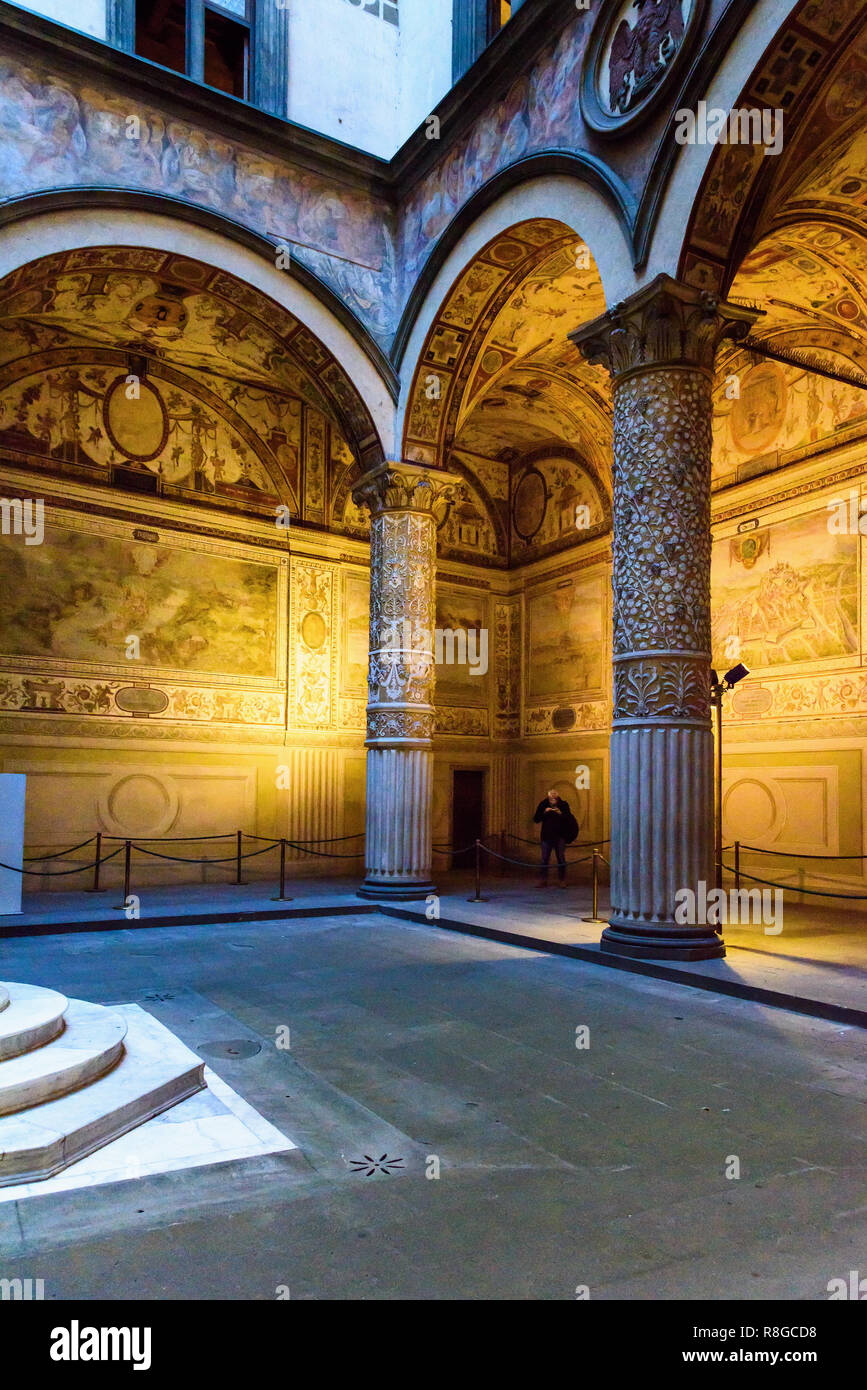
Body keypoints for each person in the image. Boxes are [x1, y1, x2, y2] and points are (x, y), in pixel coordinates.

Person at [533, 788, 574, 888]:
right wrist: (544, 813)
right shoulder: (543, 804)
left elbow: (569, 819)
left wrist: (561, 813)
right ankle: (543, 880)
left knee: (561, 859)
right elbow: (536, 819)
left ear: (557, 796)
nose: (553, 797)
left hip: (560, 836)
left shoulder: (564, 805)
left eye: (554, 795)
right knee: (544, 859)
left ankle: (562, 880)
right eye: (551, 795)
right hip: (546, 836)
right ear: (548, 796)